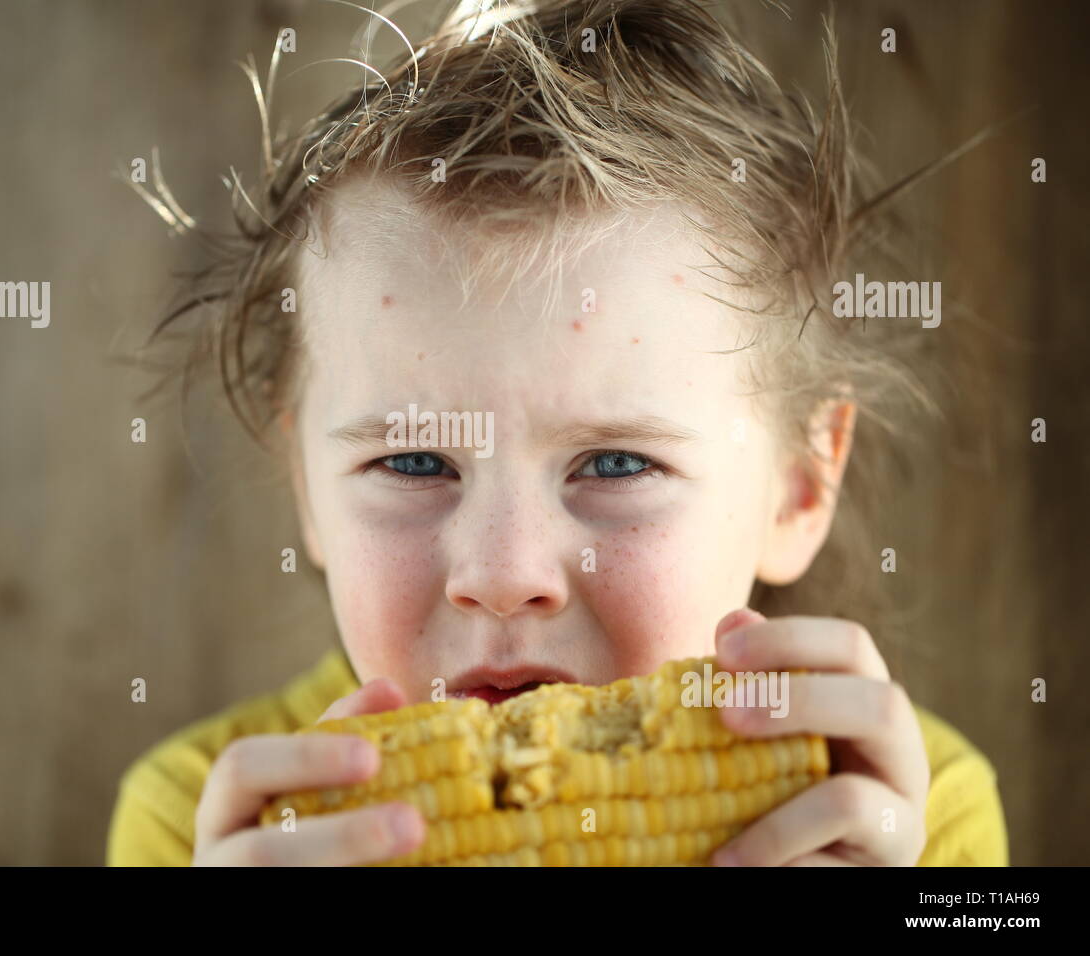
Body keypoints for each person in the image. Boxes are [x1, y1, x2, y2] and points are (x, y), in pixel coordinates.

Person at [107, 0, 1006, 867]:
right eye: (414, 460)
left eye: (615, 463)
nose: (503, 577)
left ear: (802, 481)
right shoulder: (199, 822)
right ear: (306, 485)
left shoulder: (906, 816)